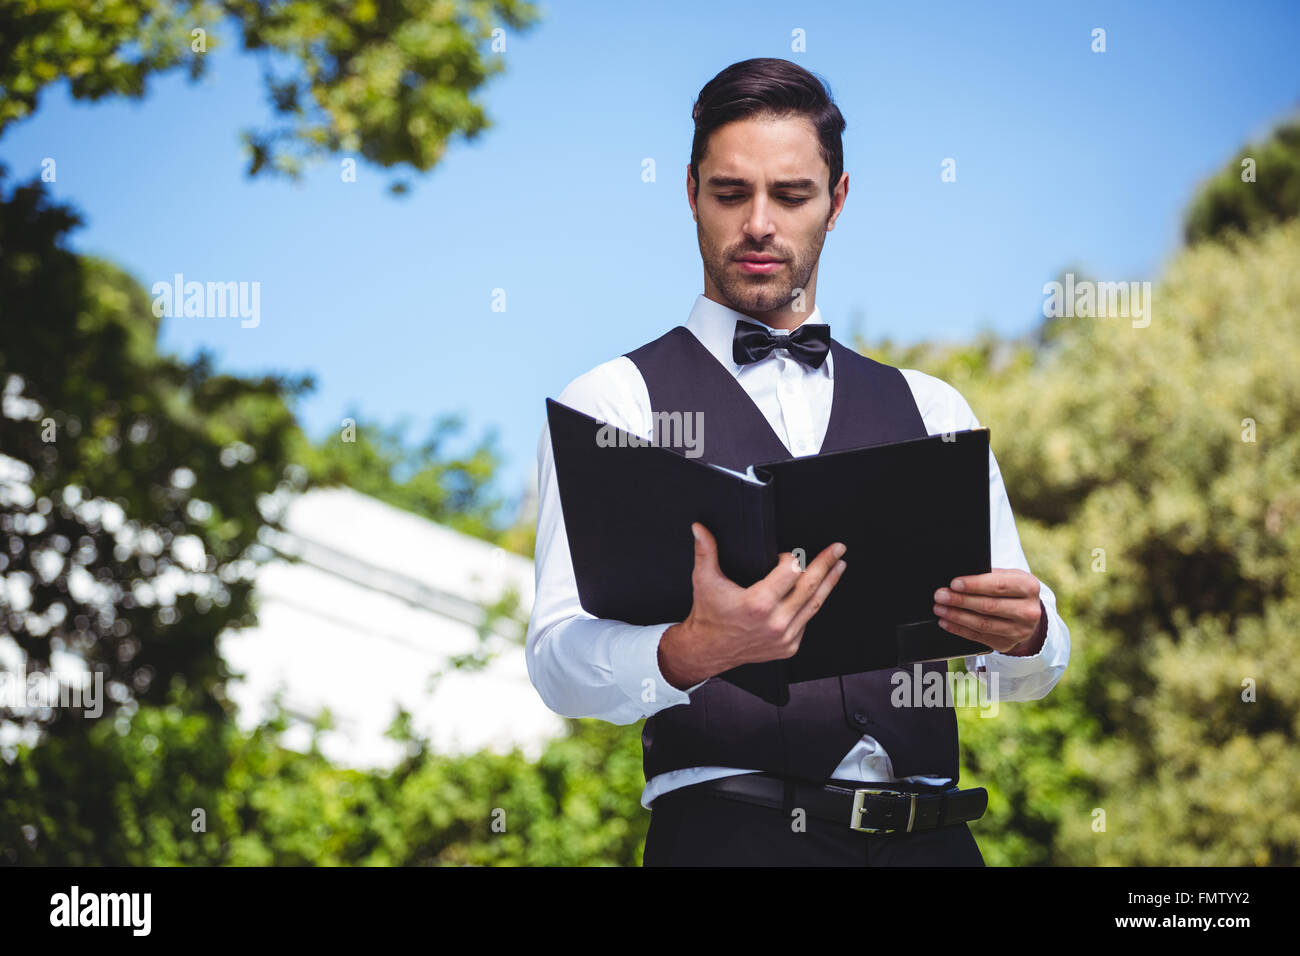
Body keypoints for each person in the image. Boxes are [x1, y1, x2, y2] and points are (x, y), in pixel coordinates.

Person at [525, 57, 1070, 866]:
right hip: (729, 837)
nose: (758, 225)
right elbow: (558, 662)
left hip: (937, 841)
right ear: (689, 192)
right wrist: (685, 652)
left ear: (837, 201)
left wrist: (1029, 635)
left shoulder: (933, 409)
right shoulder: (613, 402)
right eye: (730, 192)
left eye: (791, 195)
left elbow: (1027, 666)